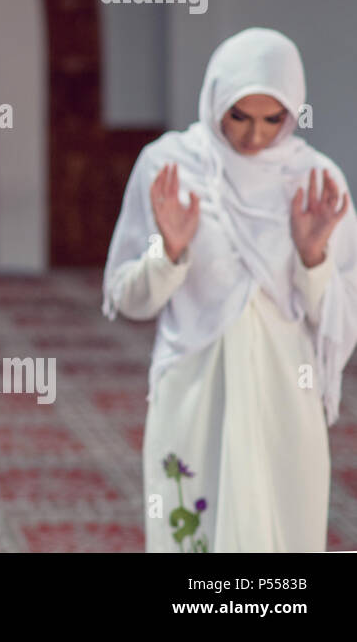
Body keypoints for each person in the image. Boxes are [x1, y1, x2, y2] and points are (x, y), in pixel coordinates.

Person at [102, 27, 357, 552]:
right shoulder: (170, 167)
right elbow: (127, 297)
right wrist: (169, 254)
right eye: (239, 116)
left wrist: (313, 258)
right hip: (194, 390)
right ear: (215, 98)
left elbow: (339, 316)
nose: (254, 137)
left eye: (272, 119)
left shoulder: (316, 182)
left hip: (285, 395)